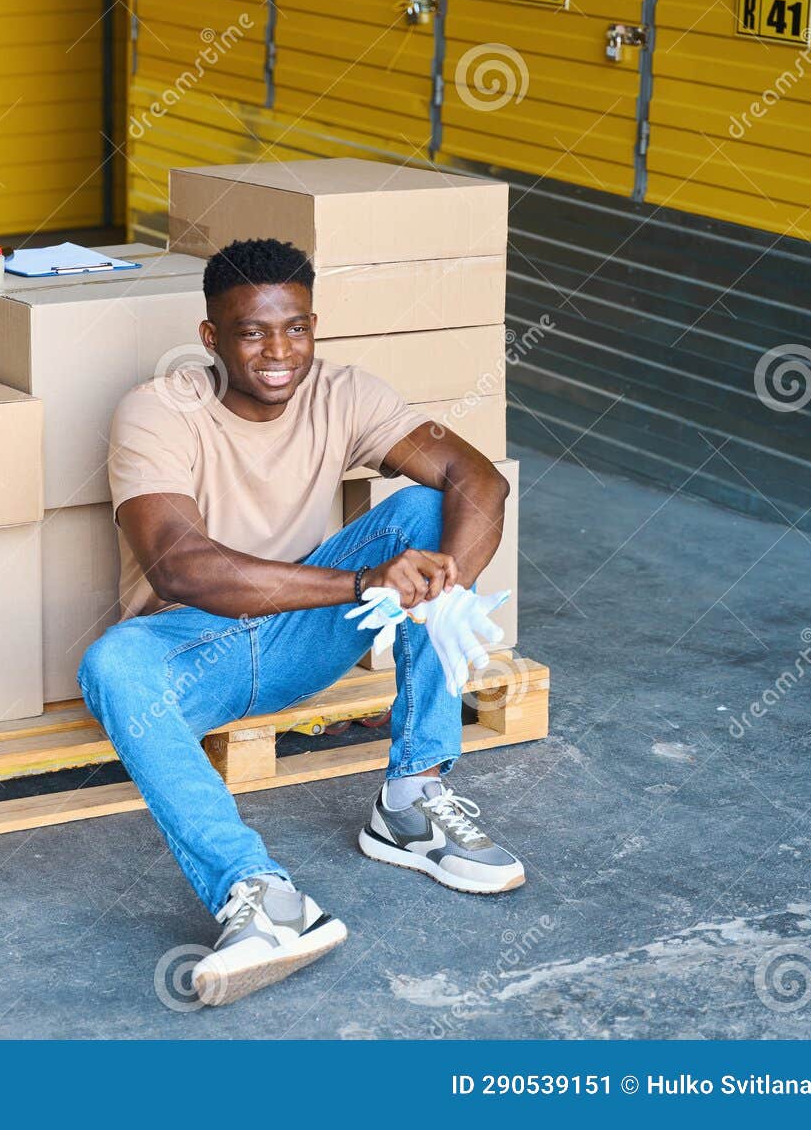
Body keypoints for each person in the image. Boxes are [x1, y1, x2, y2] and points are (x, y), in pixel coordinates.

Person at [76, 237, 521, 1007]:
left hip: (303, 639)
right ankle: (262, 897)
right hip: (194, 652)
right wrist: (361, 579)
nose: (279, 351)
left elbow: (474, 477)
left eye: (297, 327)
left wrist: (448, 590)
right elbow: (180, 566)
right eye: (252, 332)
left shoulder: (345, 393)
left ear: (314, 325)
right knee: (111, 664)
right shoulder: (156, 410)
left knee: (425, 511)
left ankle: (412, 801)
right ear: (212, 337)